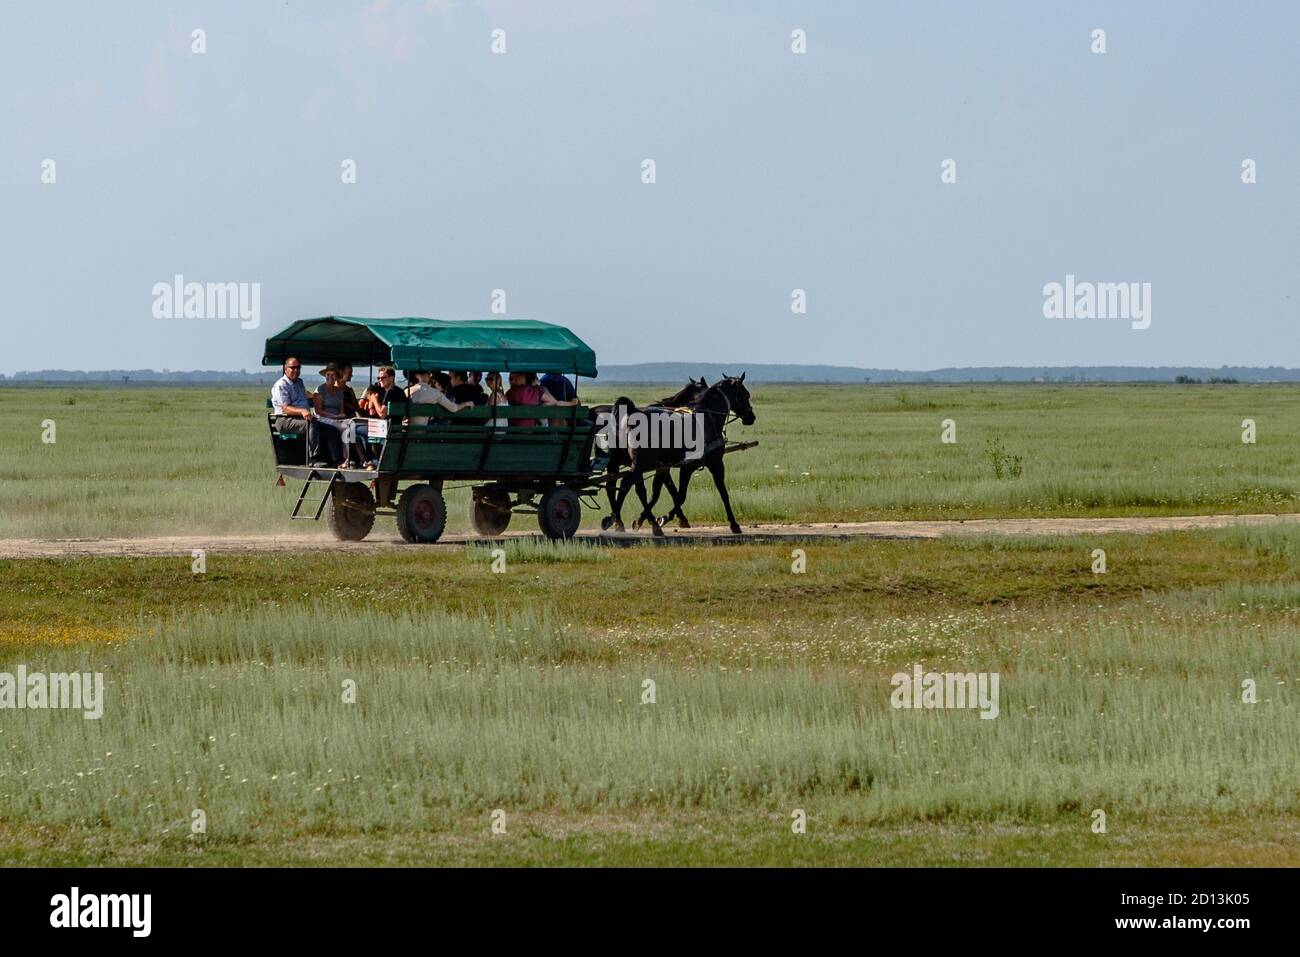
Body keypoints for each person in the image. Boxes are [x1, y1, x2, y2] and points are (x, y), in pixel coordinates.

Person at [270, 357, 341, 467]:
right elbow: (285, 408)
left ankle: (336, 460)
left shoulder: (299, 382)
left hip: (302, 419)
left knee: (332, 429)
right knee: (312, 424)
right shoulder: (281, 385)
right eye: (292, 368)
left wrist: (317, 398)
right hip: (285, 420)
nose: (296, 370)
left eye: (298, 368)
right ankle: (314, 459)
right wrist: (302, 411)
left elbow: (305, 396)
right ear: (285, 368)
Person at [506, 371, 579, 427]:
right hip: (532, 430)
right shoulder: (537, 391)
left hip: (512, 429)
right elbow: (555, 402)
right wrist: (572, 403)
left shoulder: (509, 393)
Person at [312, 363, 352, 466]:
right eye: (328, 374)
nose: (330, 377)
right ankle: (339, 459)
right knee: (339, 427)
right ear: (325, 376)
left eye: (333, 375)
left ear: (336, 377)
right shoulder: (320, 389)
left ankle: (349, 458)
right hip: (323, 418)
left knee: (350, 426)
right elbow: (318, 411)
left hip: (337, 418)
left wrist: (341, 415)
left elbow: (341, 410)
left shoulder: (339, 392)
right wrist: (335, 416)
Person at [408, 371, 475, 426]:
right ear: (429, 375)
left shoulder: (407, 391)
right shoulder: (436, 393)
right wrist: (466, 403)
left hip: (405, 432)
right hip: (421, 433)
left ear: (416, 375)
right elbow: (453, 408)